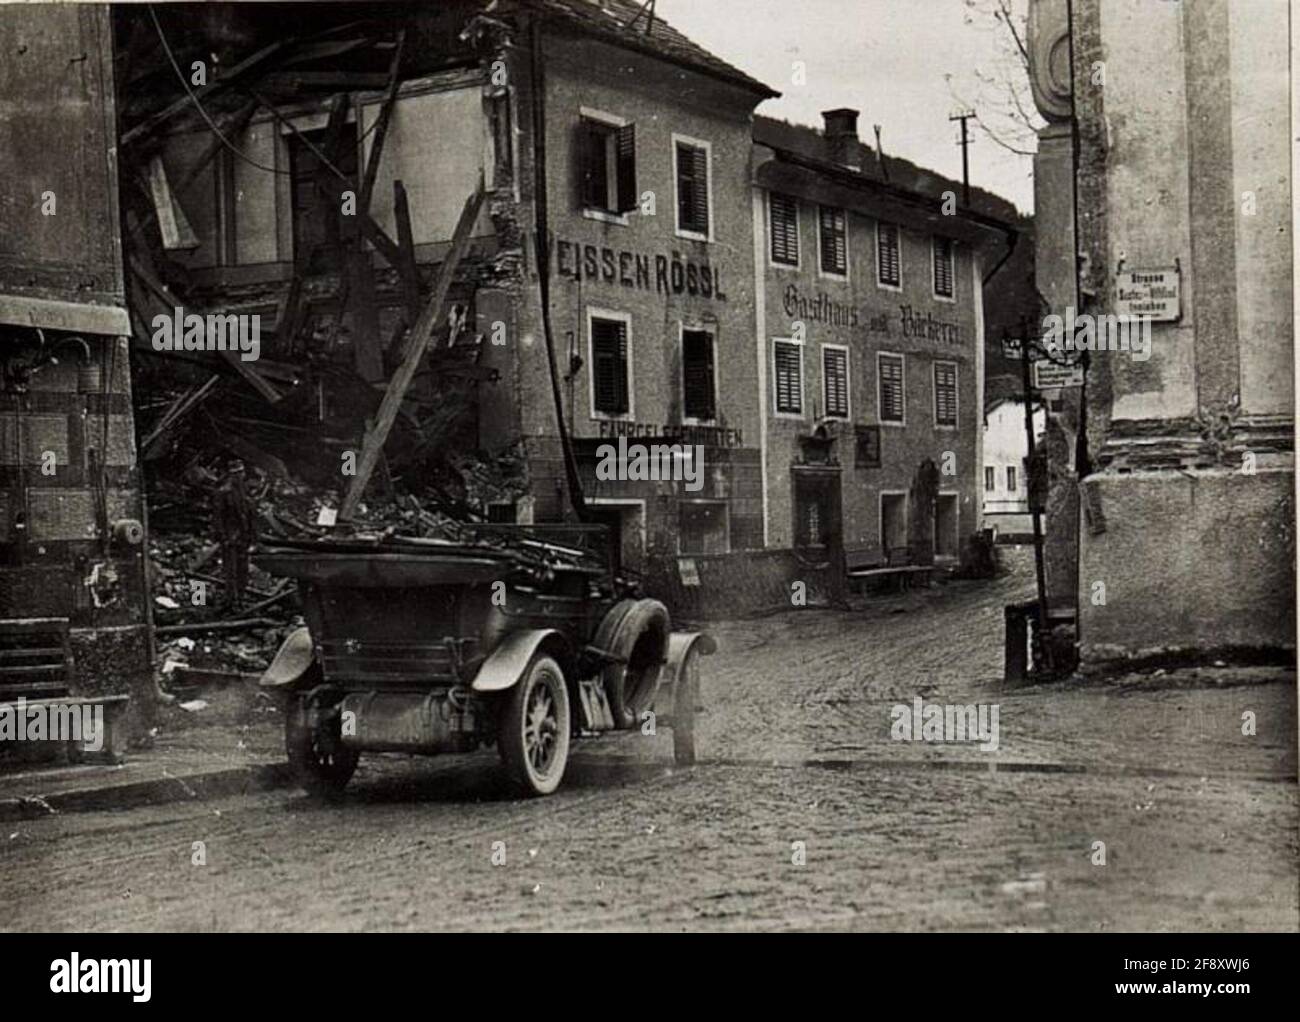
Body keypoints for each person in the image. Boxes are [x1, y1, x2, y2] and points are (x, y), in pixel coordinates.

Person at [213, 460, 255, 609]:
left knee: (243, 570)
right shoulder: (224, 493)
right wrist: (223, 537)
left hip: (243, 537)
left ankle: (240, 599)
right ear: (233, 475)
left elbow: (249, 514)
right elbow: (218, 518)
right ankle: (232, 601)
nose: (241, 476)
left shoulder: (243, 490)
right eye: (239, 473)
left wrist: (251, 535)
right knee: (231, 571)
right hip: (231, 538)